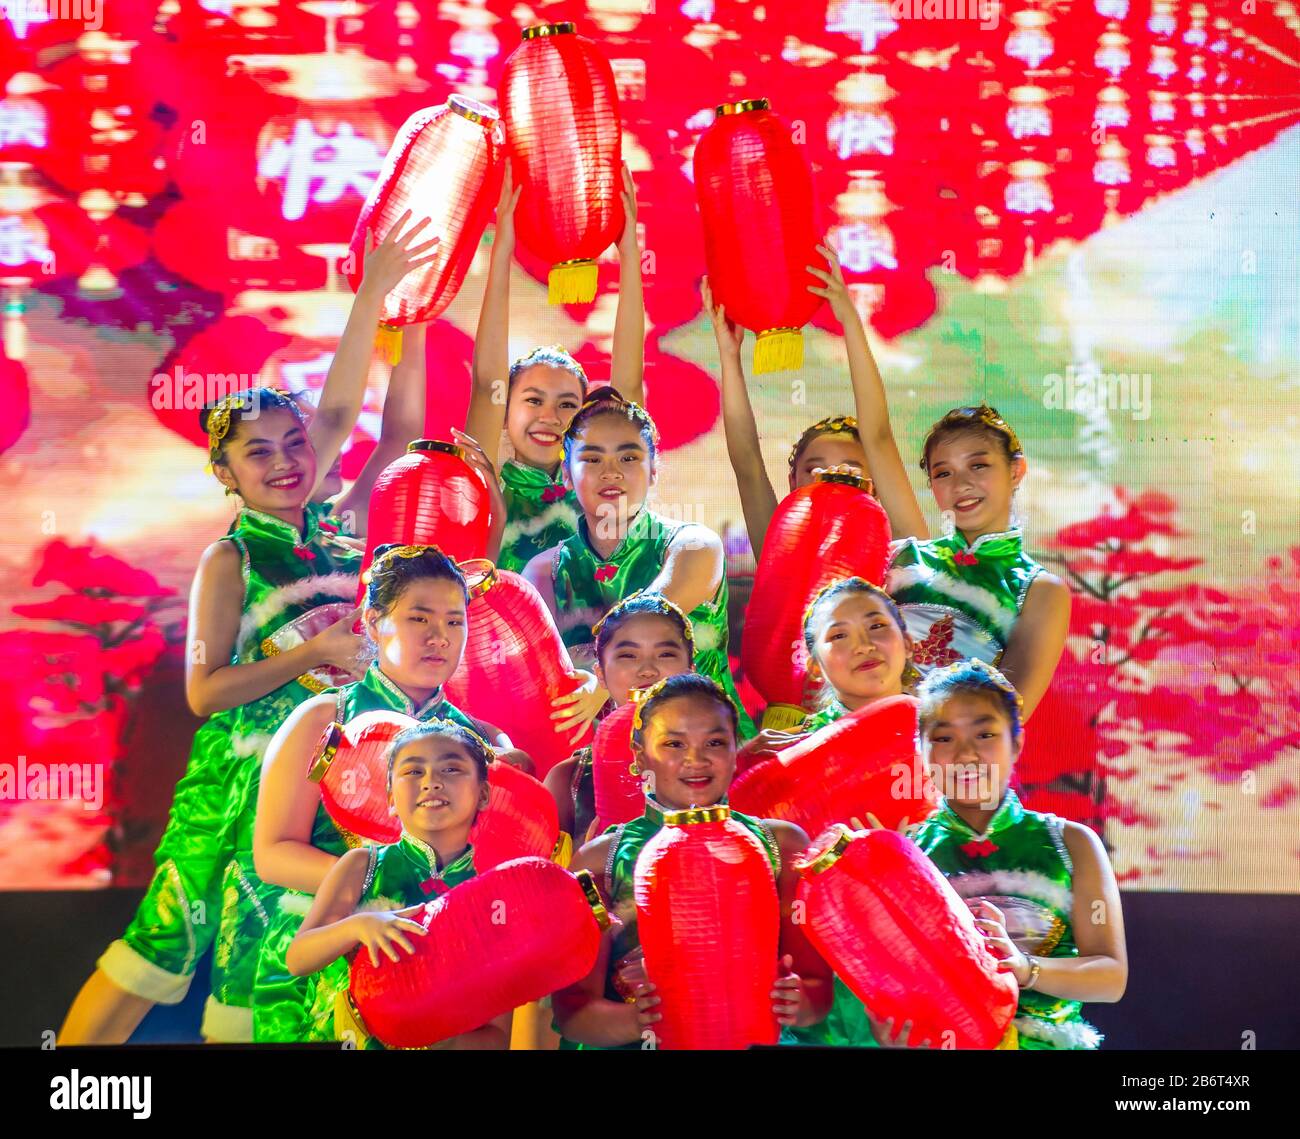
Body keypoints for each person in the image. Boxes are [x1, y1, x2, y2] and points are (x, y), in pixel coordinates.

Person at [58, 216, 441, 1044]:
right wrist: (313, 654)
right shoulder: (229, 559)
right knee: (163, 943)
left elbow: (388, 429)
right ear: (226, 474)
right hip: (233, 777)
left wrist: (400, 309)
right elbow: (204, 692)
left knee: (261, 955)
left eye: (293, 444)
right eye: (258, 453)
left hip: (310, 781)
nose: (284, 462)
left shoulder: (342, 530)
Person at [251, 544, 528, 1042]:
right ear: (374, 623)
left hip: (444, 961)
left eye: (454, 621)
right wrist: (388, 894)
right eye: (419, 618)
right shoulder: (323, 719)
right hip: (325, 956)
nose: (439, 637)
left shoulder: (487, 743)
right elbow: (272, 855)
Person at [804, 242, 1070, 719]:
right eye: (943, 473)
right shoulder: (911, 555)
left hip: (944, 748)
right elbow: (877, 436)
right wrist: (850, 320)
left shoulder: (1038, 589)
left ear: (1017, 470)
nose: (961, 483)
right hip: (854, 728)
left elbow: (1009, 711)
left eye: (979, 465)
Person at [552, 674, 832, 1049]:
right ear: (640, 755)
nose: (695, 759)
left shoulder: (781, 845)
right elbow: (572, 1011)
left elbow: (816, 986)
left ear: (737, 749)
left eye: (714, 742)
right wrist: (638, 1020)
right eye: (674, 743)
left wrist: (798, 1001)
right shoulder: (602, 860)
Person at [910, 659, 1128, 1049]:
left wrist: (1027, 969)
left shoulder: (1072, 843)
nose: (966, 755)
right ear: (920, 751)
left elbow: (1110, 978)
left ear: (1017, 744)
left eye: (985, 734)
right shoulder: (907, 851)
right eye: (943, 738)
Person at [524, 389, 755, 740]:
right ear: (567, 475)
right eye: (592, 459)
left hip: (711, 751)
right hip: (599, 758)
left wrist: (599, 677)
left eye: (628, 457)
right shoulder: (544, 572)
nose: (611, 472)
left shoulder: (693, 546)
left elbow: (646, 624)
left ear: (653, 471)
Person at [285, 719, 510, 1050]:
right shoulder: (363, 865)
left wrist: (429, 1034)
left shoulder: (493, 894)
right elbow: (298, 958)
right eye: (414, 771)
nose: (431, 782)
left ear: (483, 794)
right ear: (390, 798)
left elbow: (497, 1036)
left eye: (451, 769)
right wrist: (359, 926)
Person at [466, 164, 645, 575]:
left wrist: (629, 254)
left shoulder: (597, 490)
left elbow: (629, 387)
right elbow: (487, 384)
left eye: (567, 405)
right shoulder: (483, 482)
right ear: (505, 411)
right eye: (533, 400)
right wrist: (503, 247)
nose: (549, 416)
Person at [703, 276, 868, 560]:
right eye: (815, 470)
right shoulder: (779, 548)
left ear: (877, 485)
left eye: (847, 472)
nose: (829, 480)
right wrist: (730, 355)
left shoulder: (897, 553)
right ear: (793, 482)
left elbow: (879, 435)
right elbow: (747, 464)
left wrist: (851, 323)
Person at [543, 592, 696, 847]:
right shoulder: (569, 779)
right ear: (600, 675)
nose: (647, 670)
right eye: (628, 656)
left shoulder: (718, 762)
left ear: (691, 670)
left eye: (665, 654)